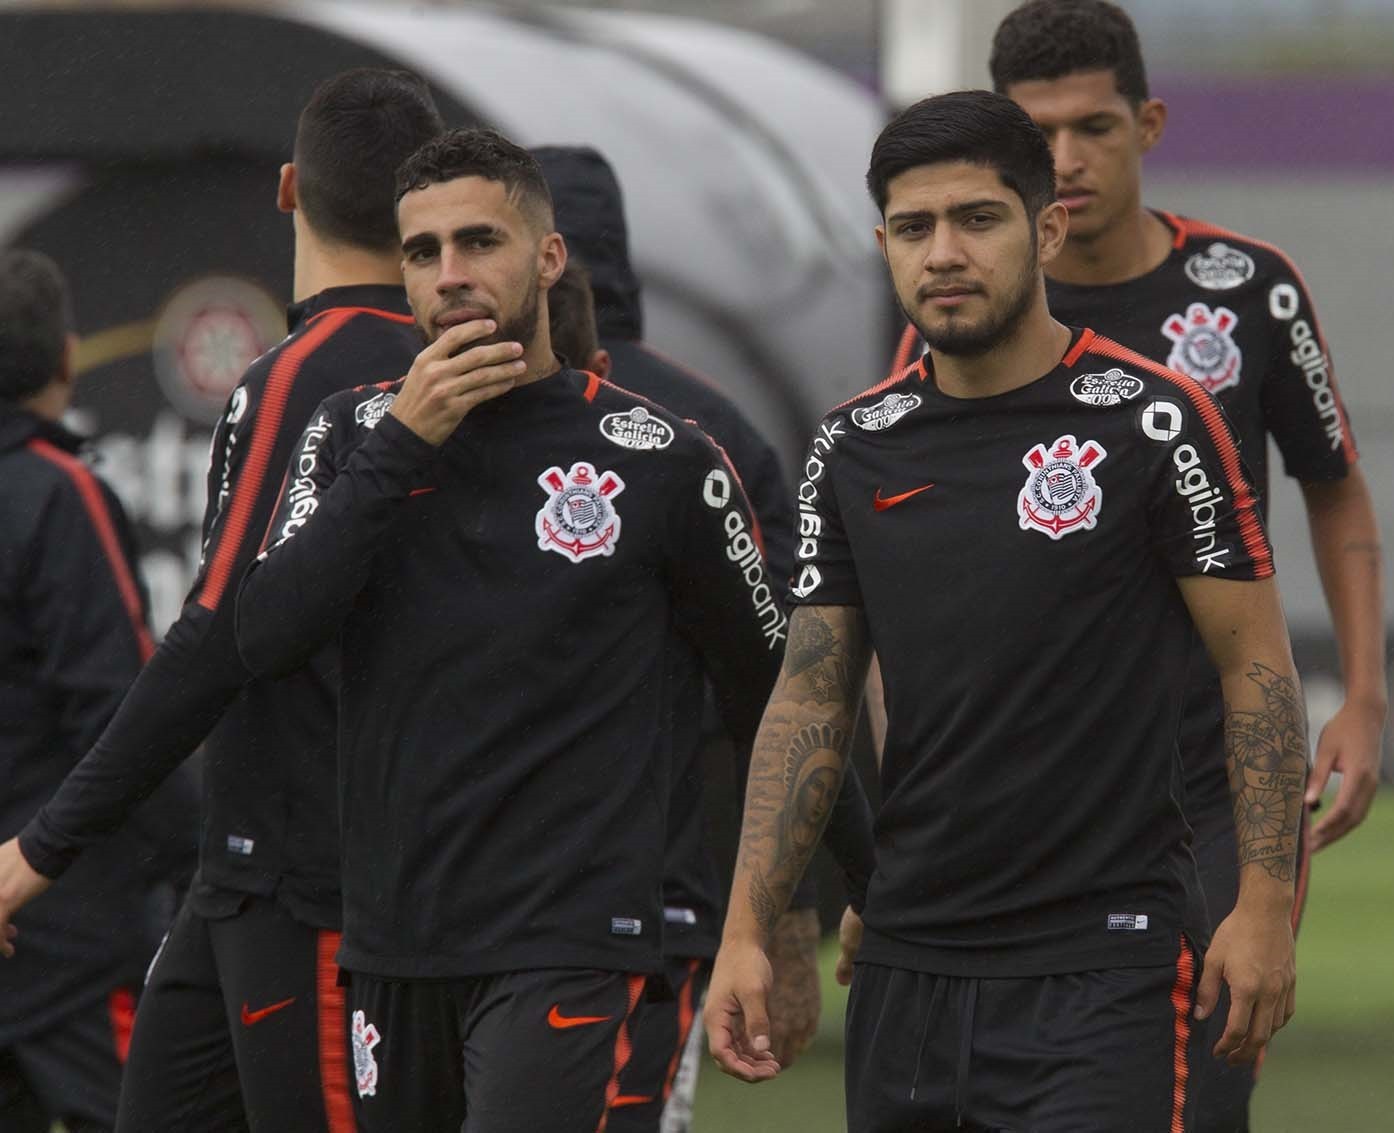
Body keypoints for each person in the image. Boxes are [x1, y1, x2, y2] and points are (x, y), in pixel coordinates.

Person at [234, 128, 873, 1133]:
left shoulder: (661, 458)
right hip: (393, 941)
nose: (450, 273)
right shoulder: (352, 433)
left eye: (479, 241)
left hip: (570, 941)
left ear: (547, 256)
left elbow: (777, 689)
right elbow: (263, 638)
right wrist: (403, 441)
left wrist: (871, 880)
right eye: (423, 251)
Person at [705, 89, 1308, 1132]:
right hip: (908, 959)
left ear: (1045, 229)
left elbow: (1254, 668)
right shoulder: (852, 446)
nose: (942, 253)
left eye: (976, 219)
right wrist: (746, 929)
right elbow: (810, 701)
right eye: (912, 227)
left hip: (1104, 962)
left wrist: (1261, 907)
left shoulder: (1157, 422)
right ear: (885, 246)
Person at [0, 69, 445, 1130]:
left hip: (315, 876)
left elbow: (210, 637)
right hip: (252, 868)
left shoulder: (304, 372)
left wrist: (40, 846)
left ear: (289, 188)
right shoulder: (435, 368)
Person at [982, 5, 1386, 1126]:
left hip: (1223, 766)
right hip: (1035, 773)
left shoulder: (1248, 289)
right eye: (1037, 135)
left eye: (1094, 127)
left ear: (1147, 124)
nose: (1066, 159)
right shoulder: (973, 305)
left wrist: (1363, 695)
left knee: (1204, 1090)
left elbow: (1334, 483)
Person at [536, 146, 826, 1132]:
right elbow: (789, 676)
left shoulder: (443, 411)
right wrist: (792, 906)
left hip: (492, 877)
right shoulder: (719, 425)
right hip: (679, 859)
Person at [0, 249, 196, 1133]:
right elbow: (122, 718)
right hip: (66, 927)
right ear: (67, 358)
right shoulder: (58, 493)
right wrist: (200, 858)